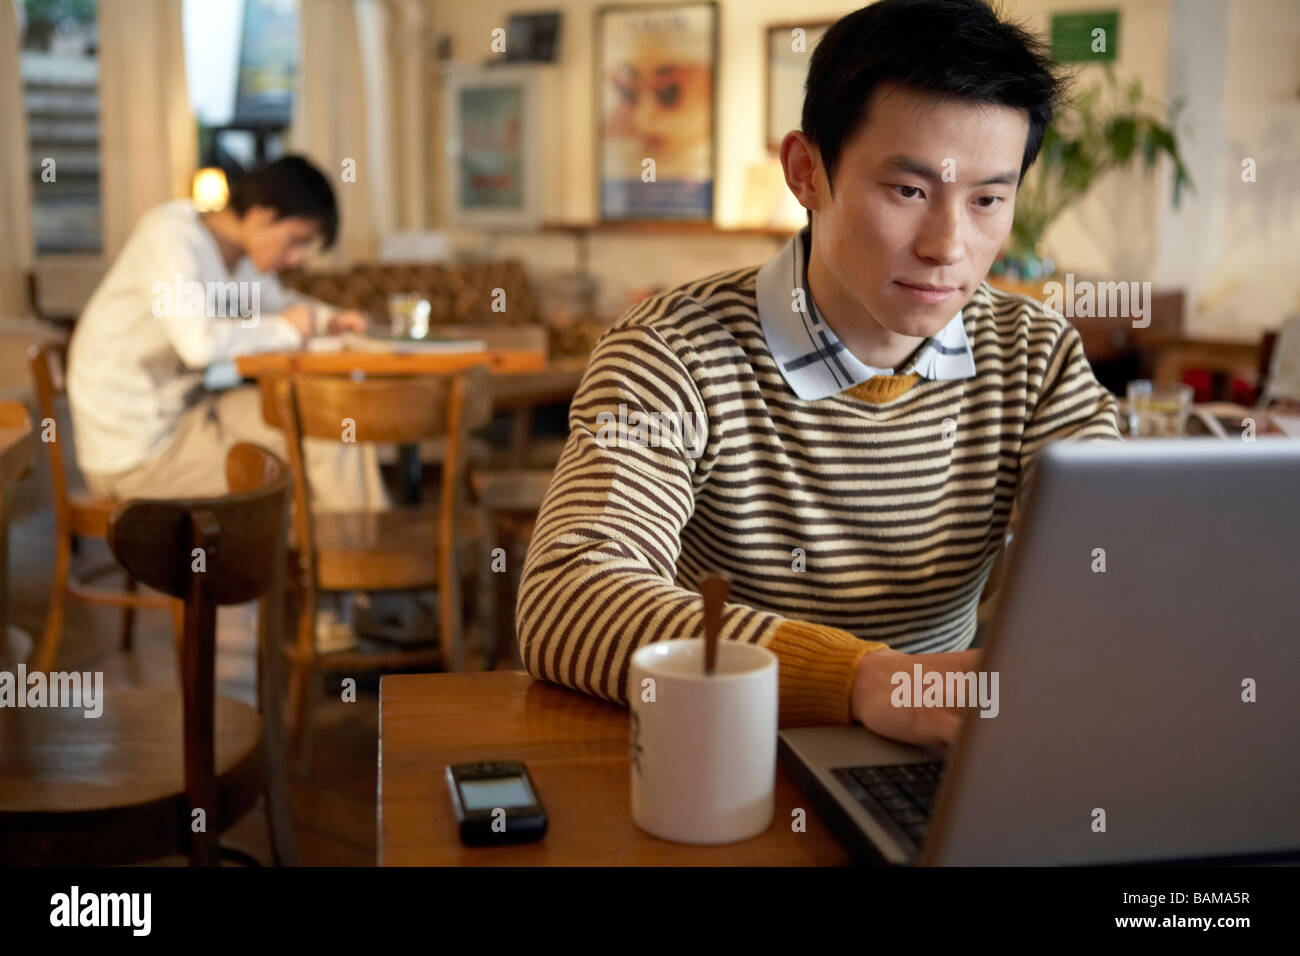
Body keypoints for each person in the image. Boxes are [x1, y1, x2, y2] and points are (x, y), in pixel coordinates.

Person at [517, 0, 1120, 748]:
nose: (949, 245)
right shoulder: (672, 352)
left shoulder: (1033, 355)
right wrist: (864, 680)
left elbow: (1117, 559)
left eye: (989, 200)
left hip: (946, 759)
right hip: (731, 753)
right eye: (908, 191)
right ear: (807, 171)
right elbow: (566, 601)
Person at [67, 154, 387, 512]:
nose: (296, 259)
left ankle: (351, 554)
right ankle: (339, 555)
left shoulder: (239, 256)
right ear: (263, 214)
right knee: (300, 463)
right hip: (137, 453)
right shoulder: (171, 238)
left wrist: (330, 319)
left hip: (191, 413)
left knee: (327, 417)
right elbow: (199, 345)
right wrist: (285, 328)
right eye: (296, 240)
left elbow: (279, 304)